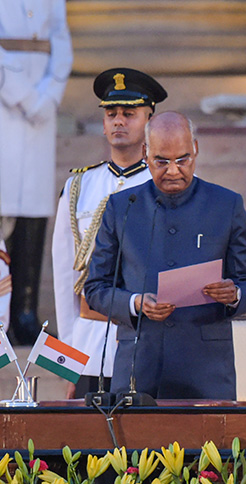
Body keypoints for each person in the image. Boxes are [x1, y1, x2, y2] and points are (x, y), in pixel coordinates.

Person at [84, 111, 246, 400]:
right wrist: (135, 302)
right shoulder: (121, 207)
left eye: (183, 159)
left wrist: (234, 294)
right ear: (145, 153)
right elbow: (95, 289)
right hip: (138, 367)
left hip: (206, 369)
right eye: (161, 161)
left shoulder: (226, 205)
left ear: (197, 150)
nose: (173, 171)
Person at [52, 68, 167, 399]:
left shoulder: (165, 184)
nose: (119, 121)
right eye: (111, 113)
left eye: (129, 114)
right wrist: (68, 361)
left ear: (149, 121)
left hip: (147, 337)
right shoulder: (79, 186)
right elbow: (65, 276)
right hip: (90, 342)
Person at [0, 0, 73, 344]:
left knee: (34, 208)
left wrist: (50, 94)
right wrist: (24, 97)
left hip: (42, 108)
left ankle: (24, 313)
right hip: (6, 101)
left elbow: (60, 41)